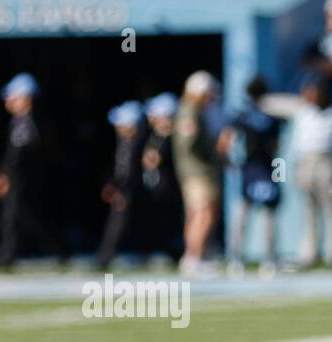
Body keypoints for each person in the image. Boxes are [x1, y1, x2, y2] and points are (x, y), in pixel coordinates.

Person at [0, 73, 63, 267]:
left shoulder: (29, 122)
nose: (9, 101)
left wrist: (5, 175)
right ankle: (54, 249)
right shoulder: (21, 121)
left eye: (14, 97)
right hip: (22, 179)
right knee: (21, 217)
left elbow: (19, 154)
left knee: (17, 216)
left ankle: (9, 254)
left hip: (23, 180)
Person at [174, 70, 231, 277]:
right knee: (202, 214)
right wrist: (217, 150)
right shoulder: (190, 112)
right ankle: (193, 257)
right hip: (198, 172)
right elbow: (189, 145)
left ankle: (198, 255)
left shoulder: (196, 111)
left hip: (199, 170)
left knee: (202, 213)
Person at [228, 77, 284, 277]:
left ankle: (236, 260)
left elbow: (228, 142)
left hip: (249, 170)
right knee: (269, 218)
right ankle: (269, 260)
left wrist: (231, 164)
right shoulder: (272, 119)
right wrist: (280, 176)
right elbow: (277, 149)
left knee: (242, 216)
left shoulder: (242, 117)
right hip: (268, 169)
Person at [290, 79, 332, 269]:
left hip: (326, 160)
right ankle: (309, 254)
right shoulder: (304, 114)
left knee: (330, 210)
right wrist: (296, 167)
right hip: (307, 161)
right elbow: (298, 143)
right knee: (309, 210)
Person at [96, 101, 144, 270]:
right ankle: (104, 257)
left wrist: (122, 190)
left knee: (119, 224)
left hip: (128, 192)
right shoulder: (123, 143)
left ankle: (105, 258)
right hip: (121, 190)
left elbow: (132, 173)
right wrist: (111, 184)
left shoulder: (138, 145)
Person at [140, 93, 183, 263]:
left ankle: (172, 251)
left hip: (168, 185)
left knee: (170, 219)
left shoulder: (173, 136)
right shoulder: (155, 135)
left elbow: (157, 159)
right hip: (156, 185)